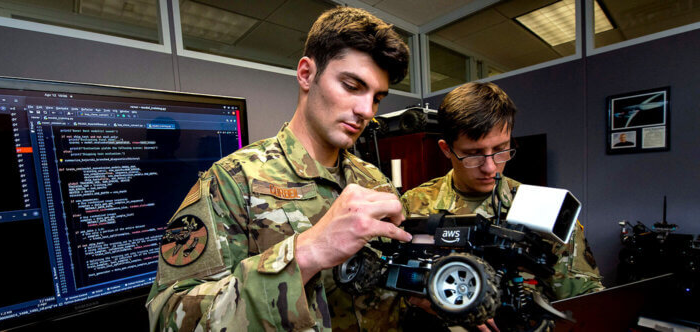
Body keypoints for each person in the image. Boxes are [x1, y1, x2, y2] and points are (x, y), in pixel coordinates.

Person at [146, 7, 412, 331]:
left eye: (377, 98)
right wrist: (308, 251)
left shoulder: (376, 183)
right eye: (352, 86)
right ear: (306, 74)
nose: (366, 110)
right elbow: (167, 317)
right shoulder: (231, 182)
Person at [401, 82, 604, 327]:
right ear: (446, 149)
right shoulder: (413, 206)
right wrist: (426, 301)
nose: (490, 167)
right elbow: (385, 290)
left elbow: (585, 302)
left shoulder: (550, 211)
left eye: (501, 150)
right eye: (474, 153)